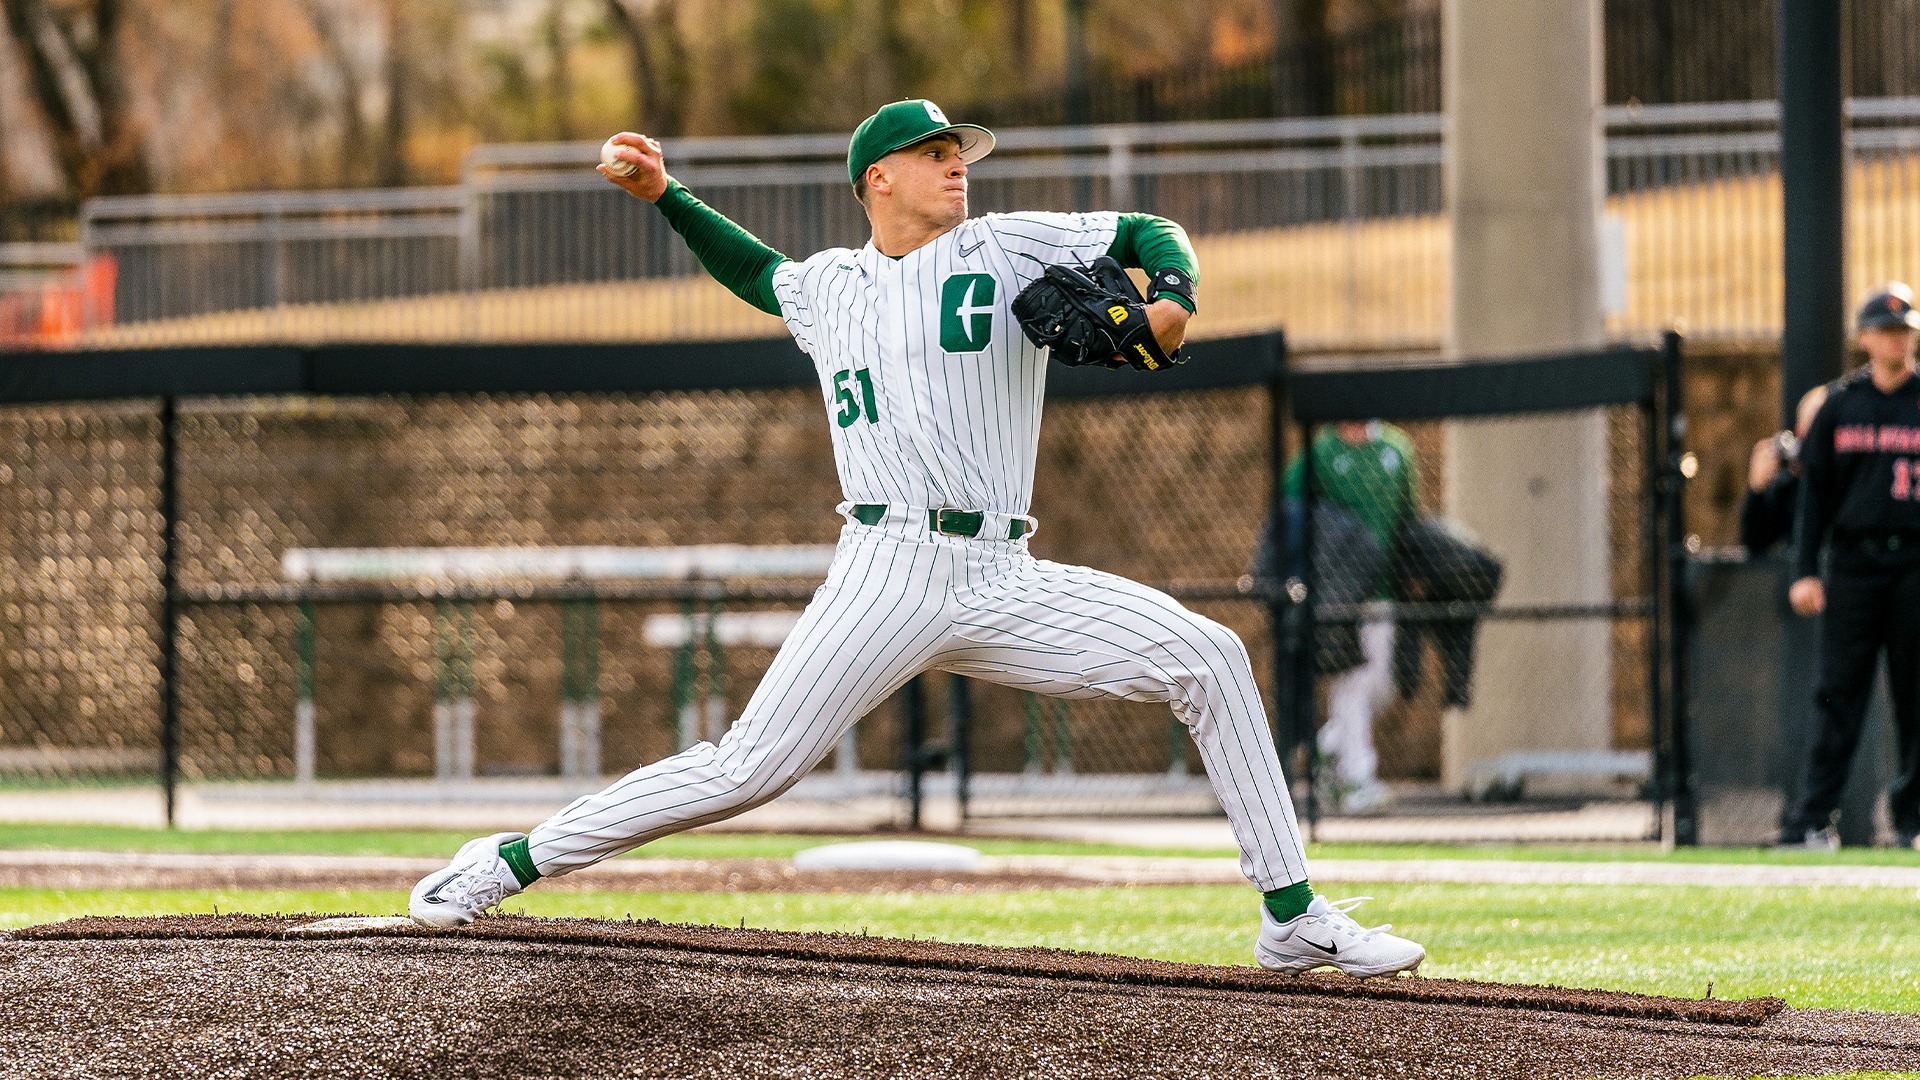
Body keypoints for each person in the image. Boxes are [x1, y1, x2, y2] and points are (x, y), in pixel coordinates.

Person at [407, 100, 1426, 976]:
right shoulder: (829, 289)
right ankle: (510, 860)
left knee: (1209, 656)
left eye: (962, 154)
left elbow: (1151, 229)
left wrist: (1172, 301)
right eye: (938, 154)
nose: (958, 167)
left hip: (1001, 570)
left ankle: (1292, 920)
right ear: (877, 179)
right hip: (886, 569)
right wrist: (667, 198)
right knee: (747, 769)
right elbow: (755, 269)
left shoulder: (1010, 243)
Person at [1783, 282, 1920, 851]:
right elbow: (1814, 498)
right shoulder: (1842, 405)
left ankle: (1912, 821)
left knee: (1916, 696)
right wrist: (1805, 569)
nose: (1897, 340)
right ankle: (1814, 819)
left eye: (1905, 330)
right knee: (1839, 695)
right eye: (1886, 330)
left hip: (1916, 563)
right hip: (1856, 565)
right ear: (1864, 338)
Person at [1283, 420, 1419, 814]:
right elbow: (1292, 508)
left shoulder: (1396, 447)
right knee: (1352, 682)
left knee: (1383, 684)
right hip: (1337, 590)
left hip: (1384, 588)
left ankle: (1327, 747)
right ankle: (1356, 778)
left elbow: (1411, 513)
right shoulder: (1320, 451)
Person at [1739, 384, 1830, 557]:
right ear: (1799, 433)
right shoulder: (1788, 487)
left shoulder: (1857, 479)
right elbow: (1755, 542)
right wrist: (1756, 491)